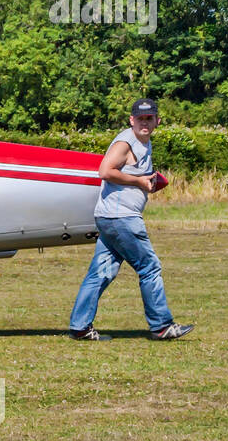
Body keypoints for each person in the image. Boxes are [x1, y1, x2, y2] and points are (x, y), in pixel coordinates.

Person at [69, 98, 194, 342]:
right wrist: (139, 182)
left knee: (101, 272)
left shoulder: (143, 142)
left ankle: (80, 327)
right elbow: (105, 171)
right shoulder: (126, 142)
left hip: (111, 216)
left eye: (149, 118)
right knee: (149, 266)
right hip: (121, 217)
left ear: (157, 120)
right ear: (131, 120)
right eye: (140, 118)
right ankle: (161, 325)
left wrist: (148, 182)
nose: (144, 123)